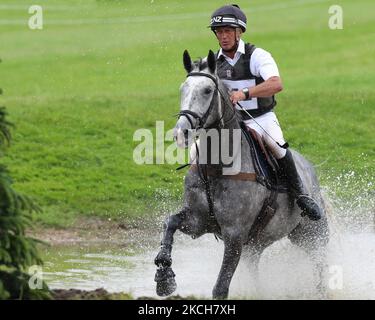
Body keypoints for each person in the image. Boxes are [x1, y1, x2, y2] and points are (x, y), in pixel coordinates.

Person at [209, 4, 322, 221]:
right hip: (230, 125)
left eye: (227, 31)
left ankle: (301, 195)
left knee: (278, 147)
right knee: (198, 151)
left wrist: (245, 93)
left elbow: (276, 84)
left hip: (260, 119)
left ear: (239, 32)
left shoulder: (257, 55)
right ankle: (202, 200)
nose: (223, 37)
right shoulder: (214, 61)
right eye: (219, 32)